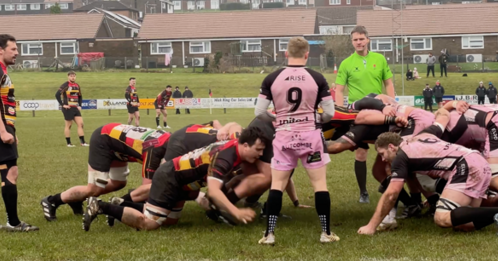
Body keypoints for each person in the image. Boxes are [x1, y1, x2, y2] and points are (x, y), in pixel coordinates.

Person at [358, 111, 498, 236]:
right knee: (463, 224)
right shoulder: (422, 135)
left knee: (442, 218)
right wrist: (447, 106)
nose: (382, 159)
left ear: (391, 147)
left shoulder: (400, 156)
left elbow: (392, 193)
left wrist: (371, 226)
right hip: (477, 161)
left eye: (382, 154)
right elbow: (442, 118)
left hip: (466, 167)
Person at [82, 127, 268, 232]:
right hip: (170, 177)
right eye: (258, 150)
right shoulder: (226, 156)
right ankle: (100, 206)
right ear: (244, 145)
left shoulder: (236, 148)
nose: (260, 154)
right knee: (150, 223)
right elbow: (213, 192)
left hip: (182, 182)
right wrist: (236, 212)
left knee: (170, 220)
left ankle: (120, 205)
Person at [254, 36, 338, 244]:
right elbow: (329, 113)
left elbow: (259, 112)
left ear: (286, 54)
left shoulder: (272, 78)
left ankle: (269, 234)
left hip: (283, 136)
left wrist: (279, 118)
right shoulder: (317, 77)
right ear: (307, 55)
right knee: (319, 184)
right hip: (311, 135)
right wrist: (313, 117)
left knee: (277, 185)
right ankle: (326, 233)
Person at [40, 123, 170, 221]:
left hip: (118, 143)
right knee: (94, 190)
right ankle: (52, 200)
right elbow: (146, 189)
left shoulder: (171, 143)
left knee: (118, 183)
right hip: (104, 141)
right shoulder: (155, 151)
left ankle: (76, 199)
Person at [0, 34, 38, 232]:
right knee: (10, 172)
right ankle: (13, 222)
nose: (17, 52)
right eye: (13, 49)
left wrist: (11, 128)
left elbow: (2, 103)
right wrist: (3, 130)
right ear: (0, 50)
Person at [334, 25, 395, 204]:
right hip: (358, 113)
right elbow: (339, 90)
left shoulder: (380, 59)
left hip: (380, 111)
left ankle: (387, 183)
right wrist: (340, 114)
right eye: (355, 40)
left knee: (387, 150)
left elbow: (388, 83)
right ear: (352, 42)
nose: (359, 42)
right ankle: (363, 192)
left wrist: (392, 103)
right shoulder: (347, 63)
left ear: (368, 39)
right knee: (360, 154)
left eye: (361, 39)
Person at [56, 71, 87, 147]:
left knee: (80, 124)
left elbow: (80, 96)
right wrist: (63, 105)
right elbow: (57, 94)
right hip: (68, 108)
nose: (73, 77)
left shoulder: (77, 85)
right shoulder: (65, 85)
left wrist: (80, 105)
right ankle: (69, 143)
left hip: (75, 108)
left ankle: (83, 142)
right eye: (71, 76)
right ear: (68, 77)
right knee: (69, 125)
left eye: (74, 76)